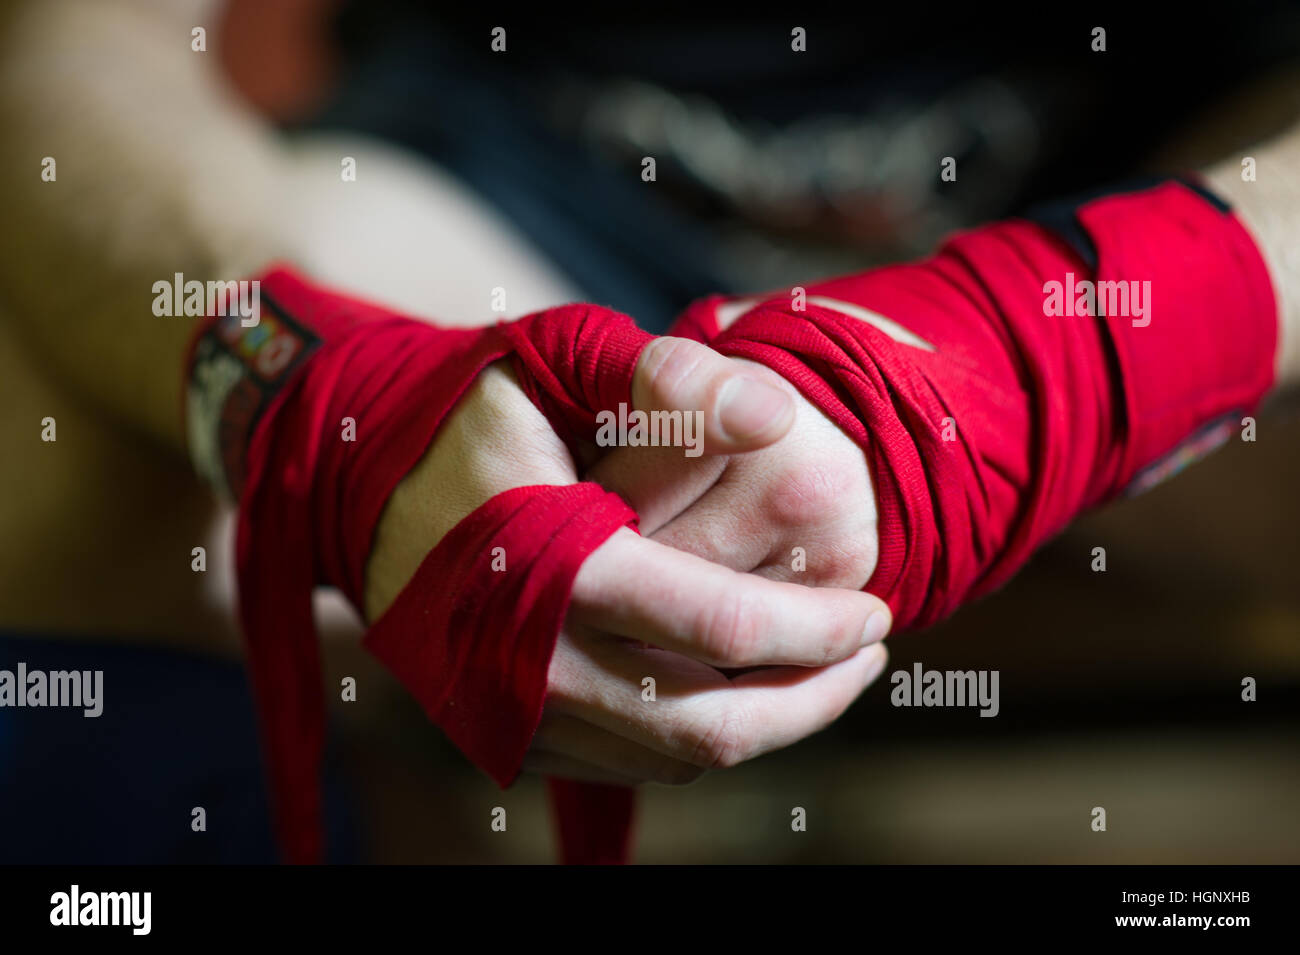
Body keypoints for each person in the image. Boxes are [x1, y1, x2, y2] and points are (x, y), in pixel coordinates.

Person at [1, 0, 1297, 862]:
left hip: (1167, 212)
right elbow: (71, 50)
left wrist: (1021, 357)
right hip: (512, 221)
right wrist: (321, 397)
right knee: (51, 461)